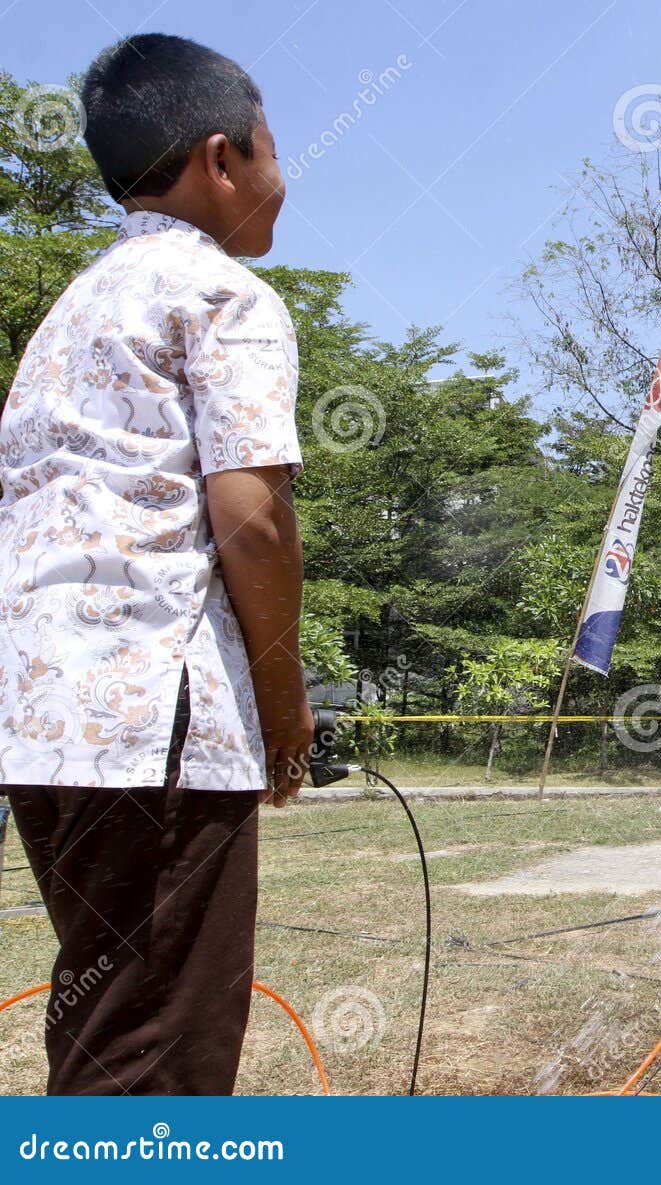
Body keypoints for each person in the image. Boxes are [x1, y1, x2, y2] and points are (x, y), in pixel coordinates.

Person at [0, 33, 312, 1095]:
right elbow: (252, 519)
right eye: (274, 149)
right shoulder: (221, 294)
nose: (282, 177)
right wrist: (284, 706)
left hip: (44, 717)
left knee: (107, 1017)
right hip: (152, 722)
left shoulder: (76, 309)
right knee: (159, 1053)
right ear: (223, 157)